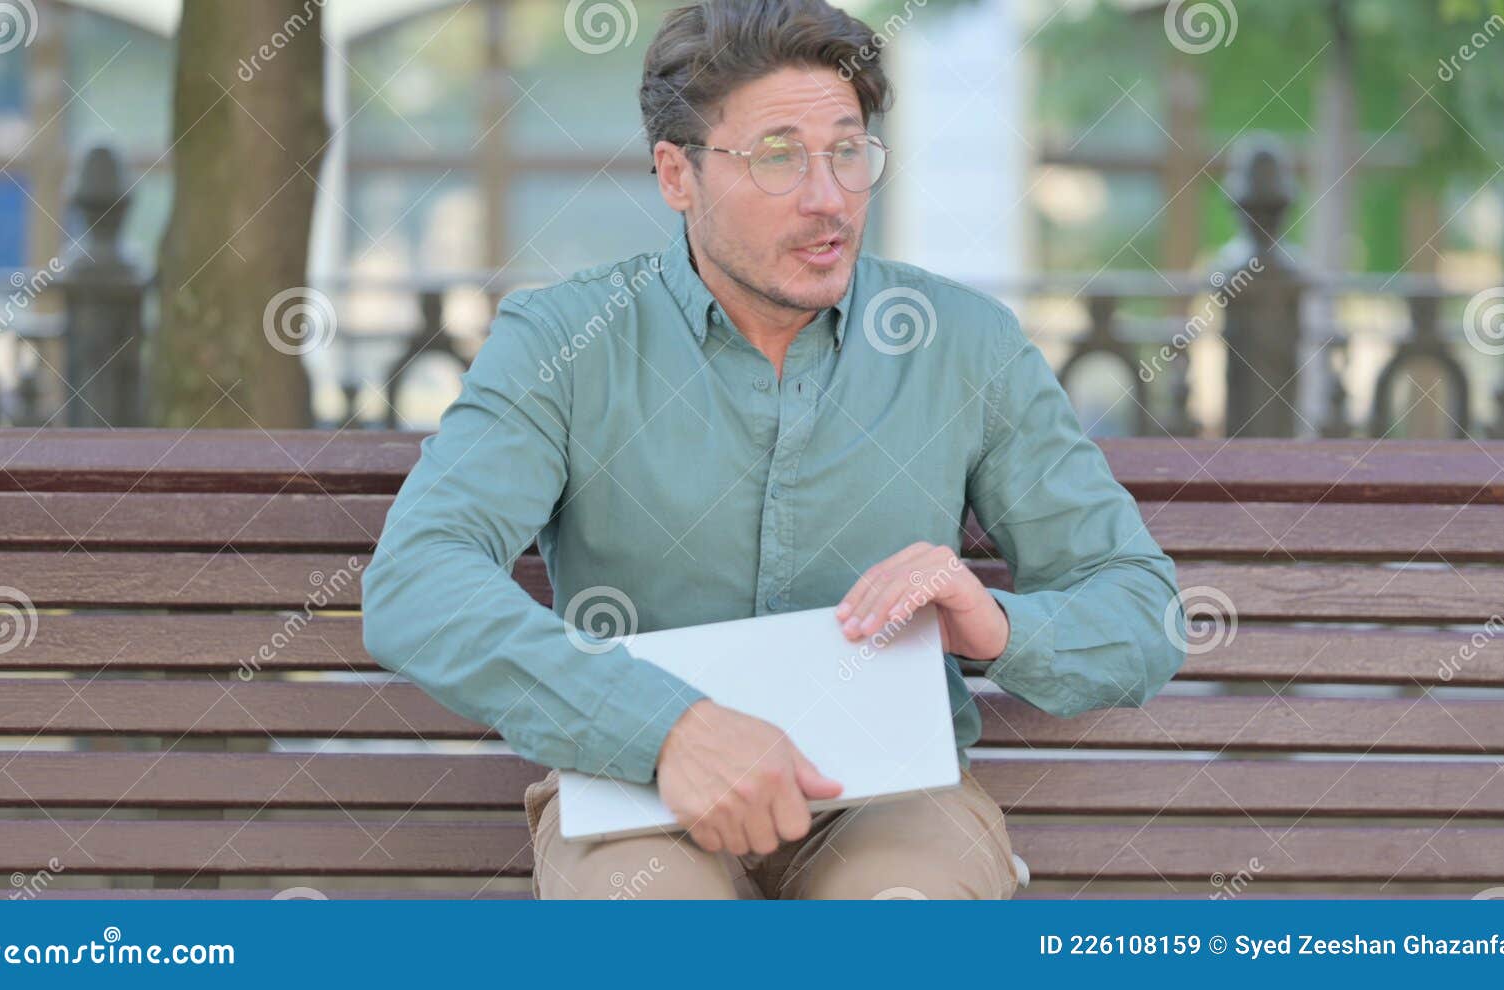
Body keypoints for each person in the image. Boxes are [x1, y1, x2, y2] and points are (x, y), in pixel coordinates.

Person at [361, 0, 1186, 900]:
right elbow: (417, 581)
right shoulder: (567, 342)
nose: (827, 195)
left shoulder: (964, 344)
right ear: (677, 174)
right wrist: (668, 729)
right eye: (779, 157)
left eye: (847, 148)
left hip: (893, 802)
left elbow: (1141, 606)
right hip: (641, 792)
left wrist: (997, 627)